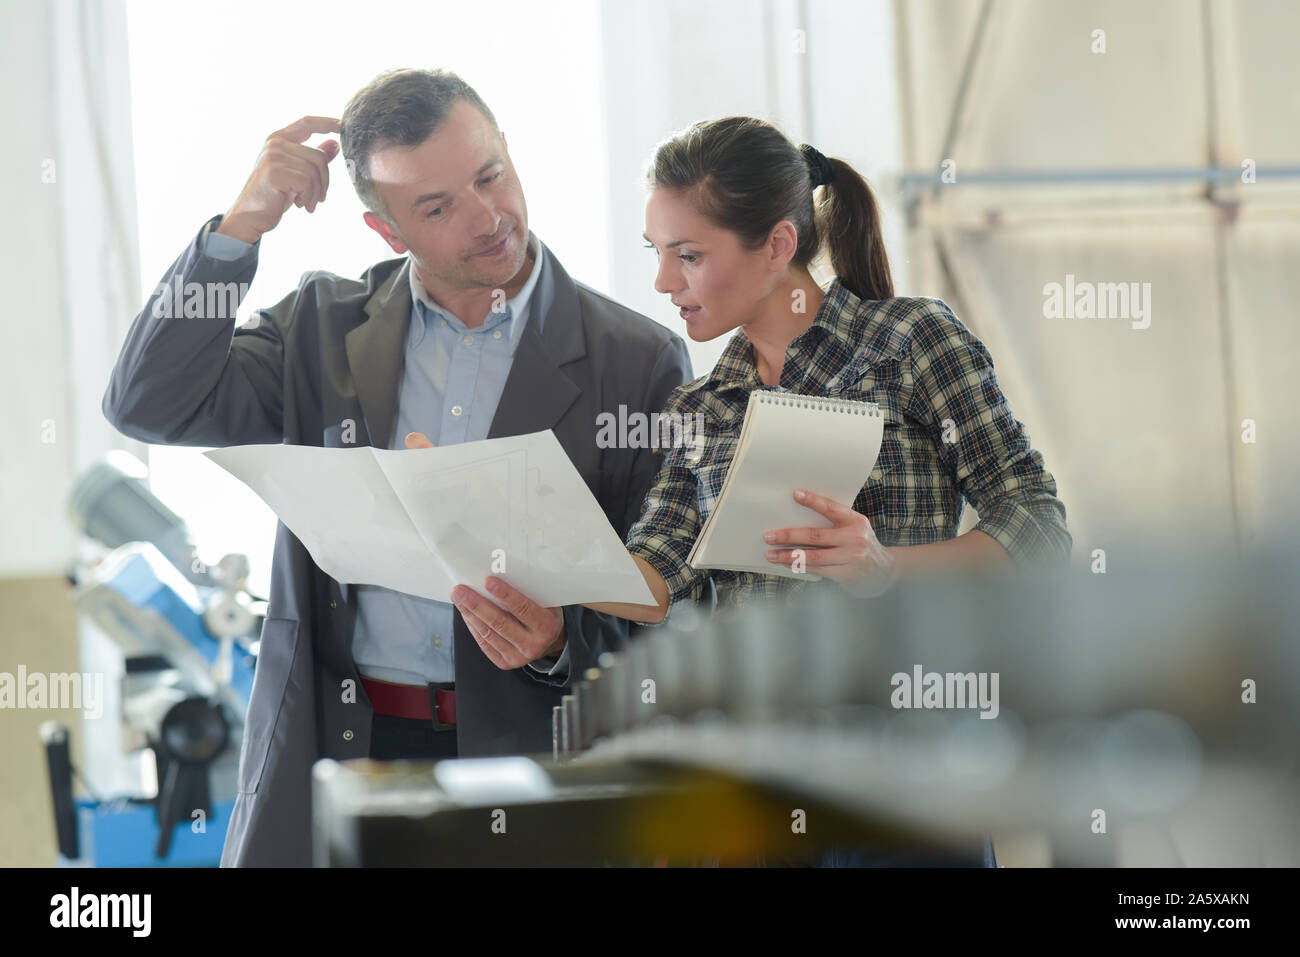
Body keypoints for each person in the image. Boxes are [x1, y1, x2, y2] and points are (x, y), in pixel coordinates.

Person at [102, 68, 693, 867]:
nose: (487, 218)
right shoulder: (319, 327)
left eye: (490, 176)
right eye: (438, 207)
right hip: (341, 750)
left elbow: (669, 604)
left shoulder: (635, 359)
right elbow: (149, 402)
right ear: (388, 232)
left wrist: (561, 638)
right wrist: (239, 230)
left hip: (527, 763)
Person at [586, 116, 1073, 866]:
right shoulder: (702, 405)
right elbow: (653, 578)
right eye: (657, 254)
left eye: (688, 255)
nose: (661, 282)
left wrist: (885, 567)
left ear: (778, 245)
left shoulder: (910, 343)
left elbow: (1038, 524)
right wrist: (523, 561)